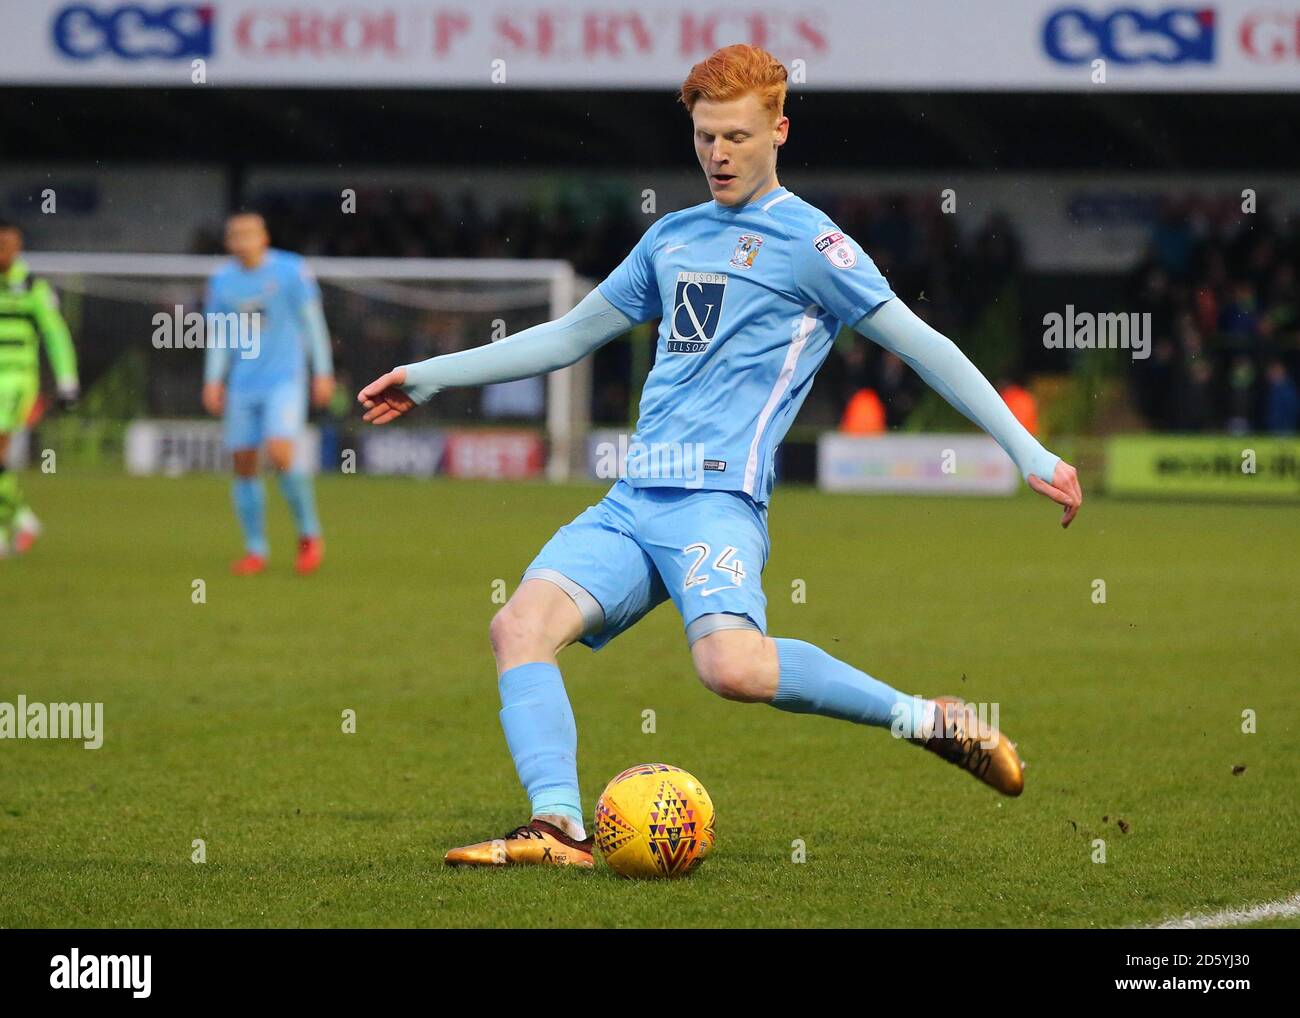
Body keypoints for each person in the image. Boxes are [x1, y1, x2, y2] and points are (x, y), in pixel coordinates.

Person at [359, 45, 1083, 868]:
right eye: (704, 137)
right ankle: (557, 825)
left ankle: (928, 719)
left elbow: (925, 347)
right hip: (632, 502)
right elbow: (569, 336)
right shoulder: (672, 238)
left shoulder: (816, 245)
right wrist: (427, 377)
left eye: (736, 136)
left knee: (731, 668)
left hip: (717, 503)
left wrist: (1026, 449)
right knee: (517, 627)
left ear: (779, 129)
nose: (718, 154)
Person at [202, 212, 335, 576]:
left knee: (279, 453)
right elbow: (220, 336)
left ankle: (308, 534)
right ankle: (255, 549)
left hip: (284, 379)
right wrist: (214, 380)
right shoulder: (222, 281)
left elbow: (314, 324)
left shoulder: (291, 271)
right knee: (244, 463)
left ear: (264, 236)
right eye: (235, 235)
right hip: (243, 384)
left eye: (249, 234)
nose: (242, 240)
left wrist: (323, 372)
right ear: (228, 242)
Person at [0, 220, 79, 557]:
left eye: (9, 244)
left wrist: (67, 381)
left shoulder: (33, 286)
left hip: (16, 379)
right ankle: (21, 517)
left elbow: (55, 334)